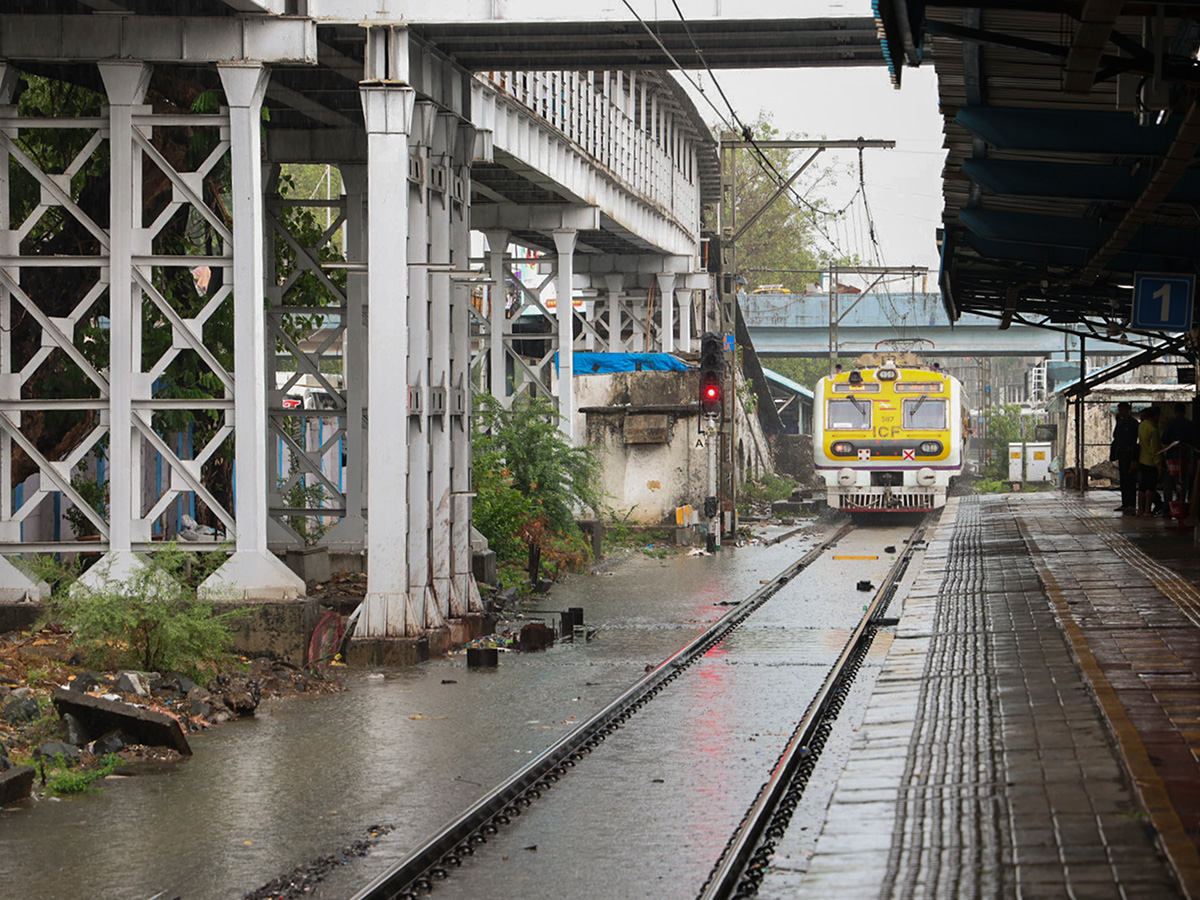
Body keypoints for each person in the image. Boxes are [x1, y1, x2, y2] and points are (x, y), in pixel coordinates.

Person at [1161, 402, 1195, 507]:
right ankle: (1181, 504)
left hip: (1172, 456)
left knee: (1169, 481)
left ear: (1174, 411)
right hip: (1185, 455)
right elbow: (1193, 441)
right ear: (1184, 412)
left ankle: (1167, 508)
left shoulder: (1170, 423)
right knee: (1183, 479)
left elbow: (1164, 439)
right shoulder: (1189, 424)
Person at [1109, 401, 1138, 513]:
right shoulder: (1121, 422)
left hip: (1129, 454)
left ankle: (1131, 503)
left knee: (1130, 479)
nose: (1120, 412)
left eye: (1121, 410)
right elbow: (1115, 435)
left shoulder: (1133, 423)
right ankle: (1125, 503)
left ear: (1127, 411)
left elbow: (1133, 439)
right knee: (1123, 479)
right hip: (1121, 453)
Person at [1136, 406, 1163, 517]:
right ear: (1155, 416)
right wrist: (1159, 465)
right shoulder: (1153, 430)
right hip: (1151, 462)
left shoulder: (1142, 425)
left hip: (1142, 459)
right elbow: (1155, 450)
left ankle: (1140, 510)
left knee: (1141, 487)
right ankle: (1147, 510)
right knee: (1150, 488)